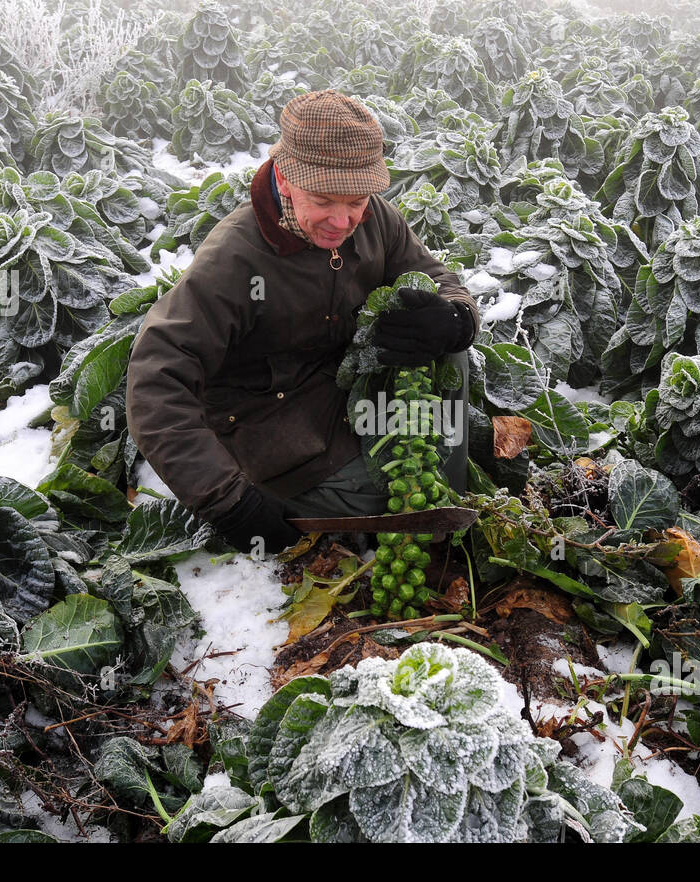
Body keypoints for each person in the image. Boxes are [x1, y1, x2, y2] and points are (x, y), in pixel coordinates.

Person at [126, 89, 480, 556]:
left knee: (452, 353)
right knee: (384, 500)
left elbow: (439, 277)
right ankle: (408, 509)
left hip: (344, 388)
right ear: (286, 178)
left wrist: (455, 318)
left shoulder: (376, 221)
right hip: (269, 423)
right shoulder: (234, 258)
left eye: (356, 200)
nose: (343, 220)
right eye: (325, 200)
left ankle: (438, 508)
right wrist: (229, 503)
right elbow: (154, 381)